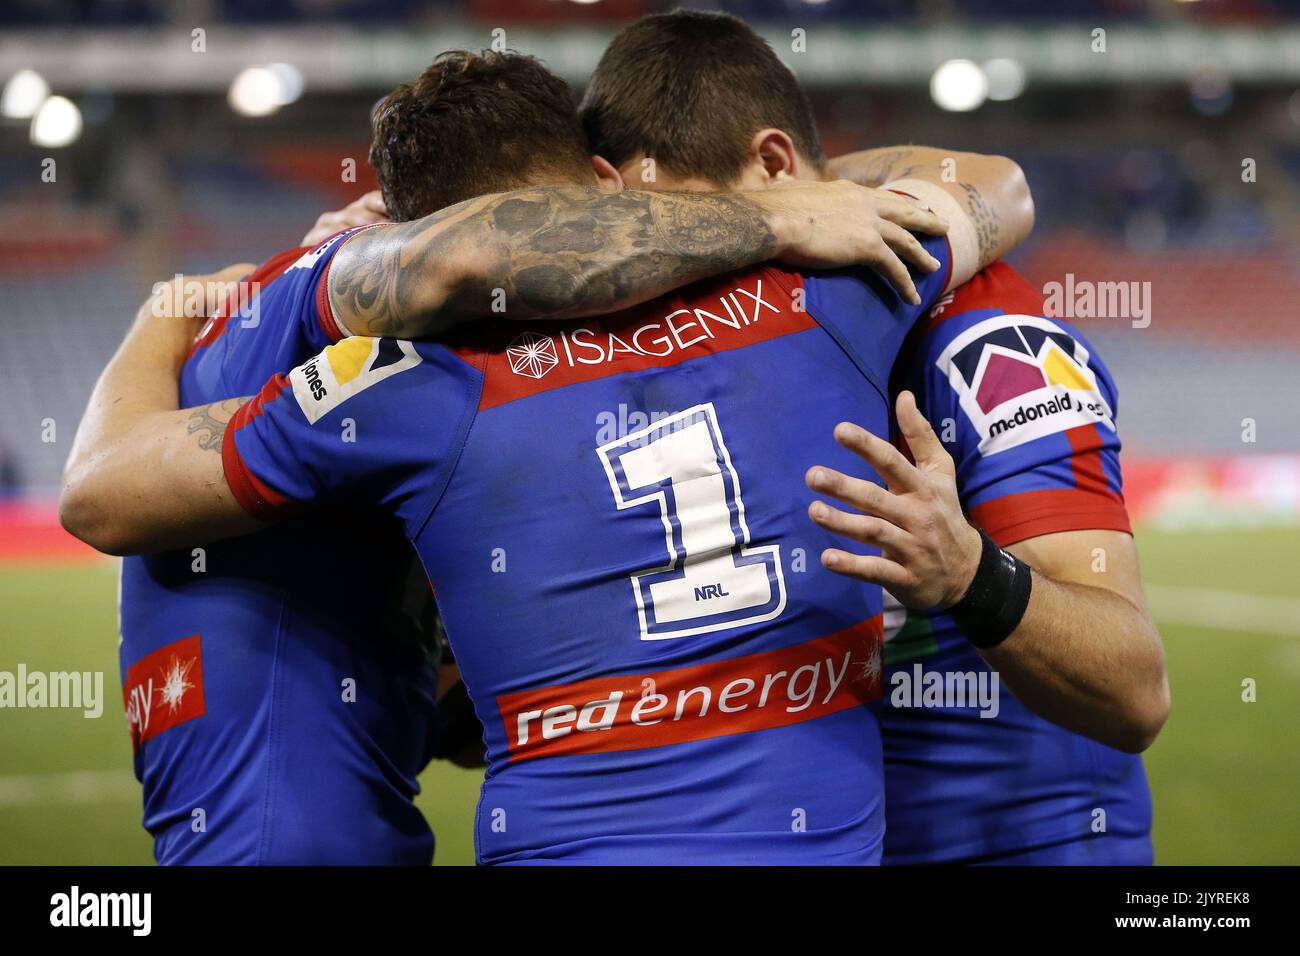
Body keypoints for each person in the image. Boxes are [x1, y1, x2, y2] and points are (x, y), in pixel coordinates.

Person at [60, 45, 1033, 863]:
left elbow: (105, 494)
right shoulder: (827, 292)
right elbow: (996, 185)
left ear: (403, 227)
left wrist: (167, 313)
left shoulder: (400, 381)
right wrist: (793, 207)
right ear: (607, 181)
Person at [579, 9, 1168, 864]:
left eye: (703, 227)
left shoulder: (984, 337)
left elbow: (1134, 689)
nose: (683, 275)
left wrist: (971, 577)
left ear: (777, 164)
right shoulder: (719, 346)